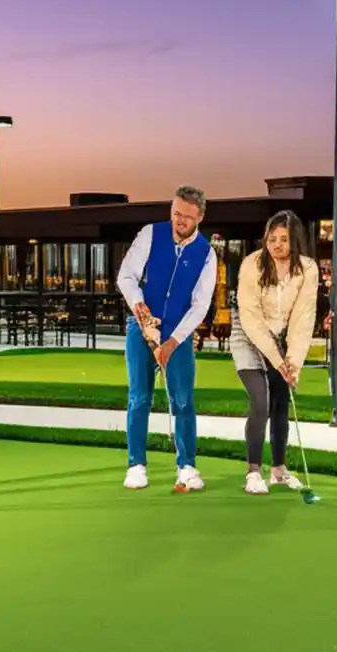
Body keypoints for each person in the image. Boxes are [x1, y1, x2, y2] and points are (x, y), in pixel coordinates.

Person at [116, 185, 218, 492]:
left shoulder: (206, 255)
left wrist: (172, 342)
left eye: (187, 217)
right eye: (175, 213)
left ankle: (186, 466)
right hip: (141, 328)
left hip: (179, 334)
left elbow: (200, 306)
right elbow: (126, 276)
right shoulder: (150, 234)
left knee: (183, 400)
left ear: (199, 217)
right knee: (139, 398)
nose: (179, 221)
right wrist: (142, 314)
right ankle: (136, 465)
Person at [230, 210, 319, 494]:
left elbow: (302, 319)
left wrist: (292, 363)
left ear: (295, 241)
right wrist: (277, 360)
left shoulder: (308, 269)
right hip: (247, 333)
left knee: (281, 402)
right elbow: (251, 317)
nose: (277, 245)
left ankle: (279, 471)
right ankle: (253, 472)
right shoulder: (252, 264)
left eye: (284, 239)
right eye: (272, 238)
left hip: (280, 336)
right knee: (261, 400)